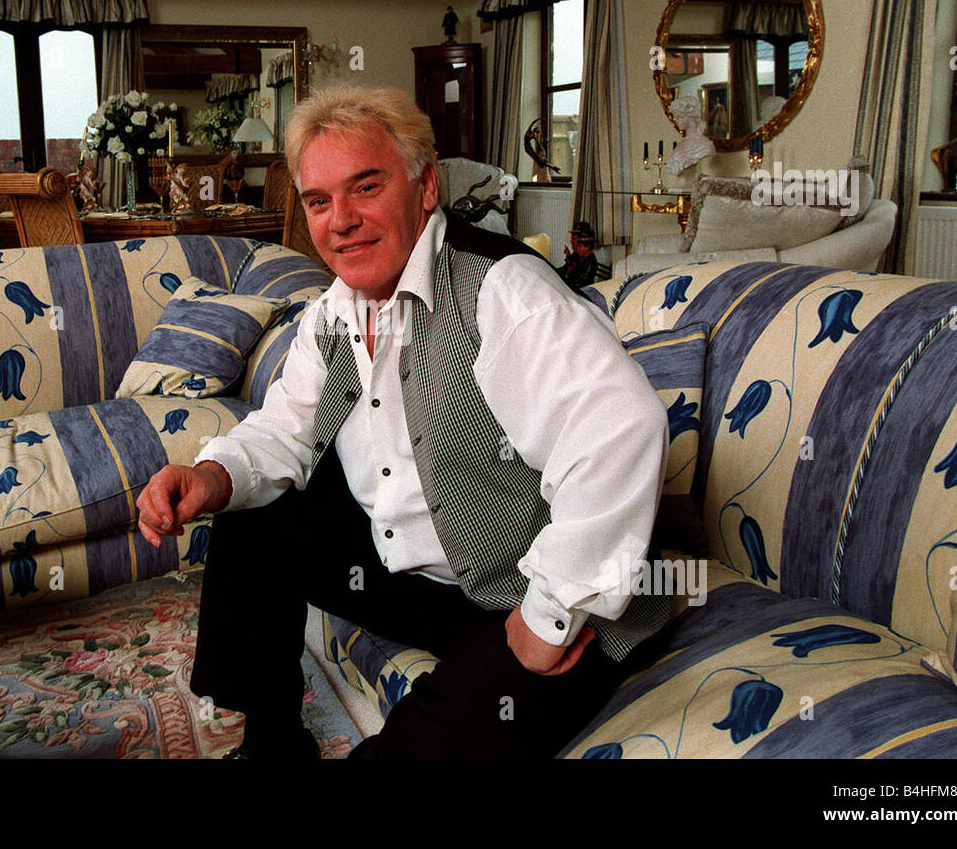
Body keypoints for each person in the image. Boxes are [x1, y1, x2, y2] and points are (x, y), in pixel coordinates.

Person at [136, 84, 670, 759]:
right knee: (253, 512)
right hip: (426, 578)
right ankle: (271, 743)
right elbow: (285, 430)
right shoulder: (333, 311)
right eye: (320, 201)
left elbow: (623, 427)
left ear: (425, 188)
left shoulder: (501, 290)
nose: (341, 220)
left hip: (530, 594)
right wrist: (209, 475)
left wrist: (549, 616)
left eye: (366, 187)